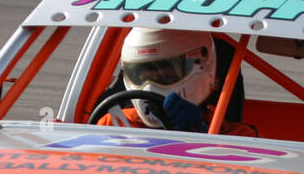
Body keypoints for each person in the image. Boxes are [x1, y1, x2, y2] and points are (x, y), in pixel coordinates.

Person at [96, 27, 255, 136]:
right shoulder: (112, 124)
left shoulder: (237, 137)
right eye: (142, 77)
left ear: (201, 67)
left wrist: (200, 138)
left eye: (165, 76)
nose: (150, 88)